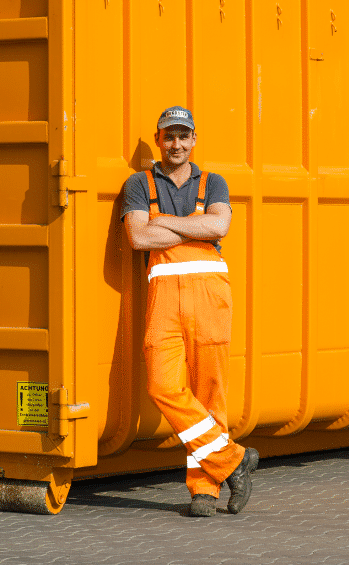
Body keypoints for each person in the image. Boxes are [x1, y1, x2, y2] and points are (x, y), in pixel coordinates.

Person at [121, 105, 259, 517]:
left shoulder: (214, 182)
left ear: (194, 140)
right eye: (169, 136)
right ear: (159, 139)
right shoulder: (137, 183)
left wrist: (164, 221)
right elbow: (138, 238)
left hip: (210, 296)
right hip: (164, 295)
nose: (176, 144)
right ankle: (233, 461)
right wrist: (192, 222)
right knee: (163, 386)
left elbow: (218, 228)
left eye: (184, 136)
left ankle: (204, 489)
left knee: (210, 392)